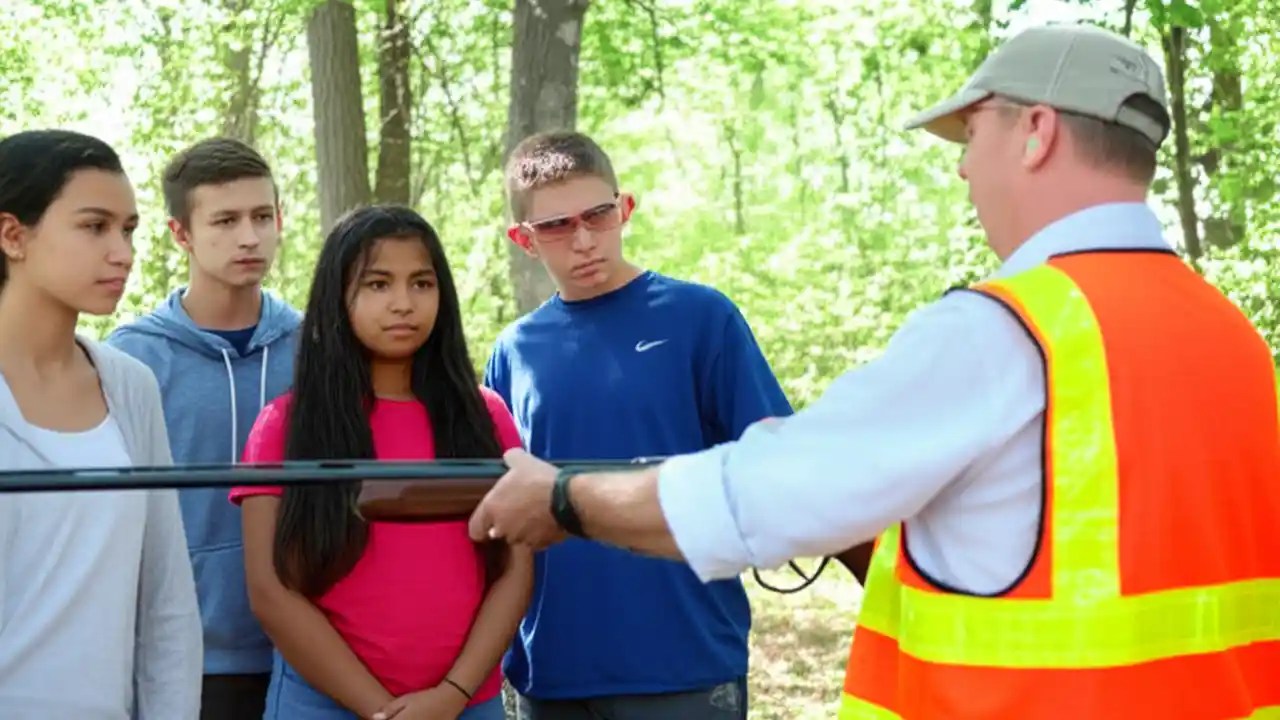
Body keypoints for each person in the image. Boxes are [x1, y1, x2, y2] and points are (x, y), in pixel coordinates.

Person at [469, 23, 1280, 719]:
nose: (964, 171)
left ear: (1036, 132)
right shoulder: (1232, 337)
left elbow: (767, 493)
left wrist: (563, 497)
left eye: (973, 138)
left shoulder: (1009, 330)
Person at [483, 130, 793, 720]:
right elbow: (499, 511)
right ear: (524, 240)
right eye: (556, 226)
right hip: (550, 668)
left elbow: (772, 465)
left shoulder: (702, 318)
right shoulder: (513, 351)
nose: (583, 240)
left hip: (685, 662)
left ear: (625, 209)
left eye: (598, 215)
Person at [229, 204, 532, 720]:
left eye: (421, 283)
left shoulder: (488, 418)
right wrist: (382, 712)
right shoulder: (285, 425)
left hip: (466, 705)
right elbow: (270, 591)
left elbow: (517, 572)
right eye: (377, 285)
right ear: (336, 297)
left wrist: (453, 694)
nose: (402, 303)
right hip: (323, 704)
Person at [0, 129, 203, 717]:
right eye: (94, 226)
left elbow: (167, 603)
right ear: (13, 235)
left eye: (129, 229)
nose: (123, 252)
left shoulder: (131, 386)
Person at [107, 136, 301, 719]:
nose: (249, 237)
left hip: (312, 650)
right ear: (181, 234)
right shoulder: (132, 360)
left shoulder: (319, 347)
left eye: (262, 216)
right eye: (225, 220)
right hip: (184, 659)